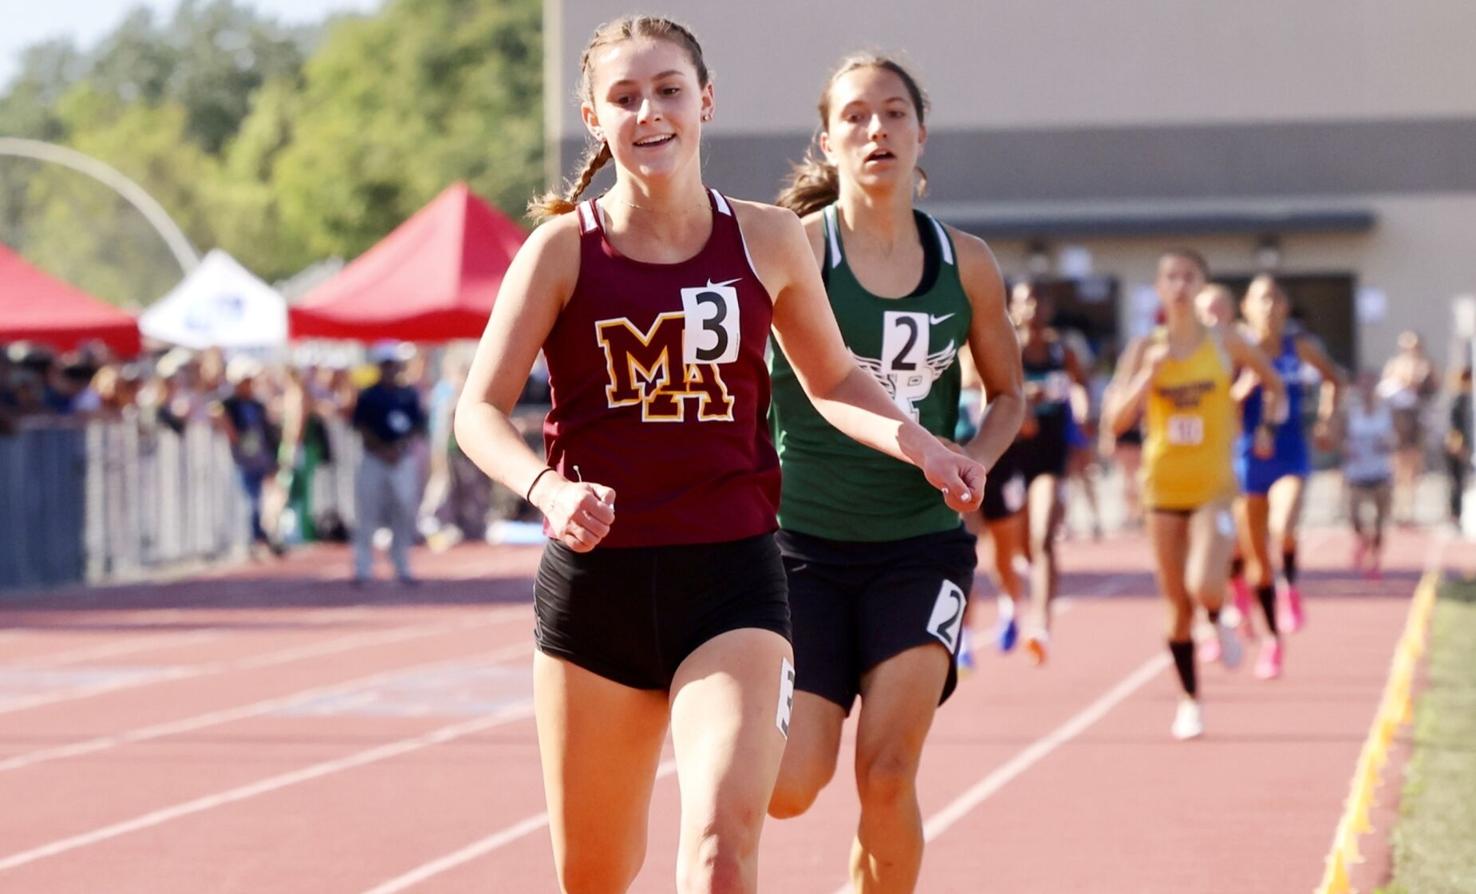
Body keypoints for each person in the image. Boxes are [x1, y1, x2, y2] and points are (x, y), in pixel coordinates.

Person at [452, 18, 985, 894]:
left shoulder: (770, 240)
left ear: (705, 101)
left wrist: (920, 444)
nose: (649, 112)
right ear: (594, 118)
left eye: (668, 90)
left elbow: (835, 381)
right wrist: (545, 490)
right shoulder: (560, 251)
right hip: (598, 593)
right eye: (625, 98)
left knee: (720, 857)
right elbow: (478, 411)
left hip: (732, 583)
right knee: (594, 875)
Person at [761, 54, 1023, 893]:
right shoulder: (794, 249)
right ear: (829, 140)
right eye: (857, 117)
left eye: (894, 114)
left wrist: (973, 462)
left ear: (920, 133)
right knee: (793, 788)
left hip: (918, 549)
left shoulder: (967, 263)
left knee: (886, 774)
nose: (877, 130)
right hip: (800, 549)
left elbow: (1009, 394)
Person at [1103, 249, 1282, 740]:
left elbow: (1274, 382)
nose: (1180, 285)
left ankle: (1218, 613)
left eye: (1189, 277)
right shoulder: (1144, 346)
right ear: (1160, 288)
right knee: (1175, 606)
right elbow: (1116, 420)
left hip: (1214, 486)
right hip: (1162, 487)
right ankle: (1190, 701)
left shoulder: (1225, 341)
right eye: (1171, 277)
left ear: (1202, 285)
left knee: (1205, 581)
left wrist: (1264, 423)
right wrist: (1147, 378)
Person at [1232, 275, 1344, 677]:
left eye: (1275, 298)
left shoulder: (1300, 348)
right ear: (1246, 307)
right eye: (1260, 299)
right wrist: (1242, 390)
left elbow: (1334, 379)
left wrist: (1328, 421)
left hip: (1291, 454)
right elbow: (1217, 405)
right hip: (1247, 460)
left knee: (1284, 525)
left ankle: (1291, 588)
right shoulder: (1235, 350)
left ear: (1284, 307)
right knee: (1256, 562)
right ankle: (1271, 641)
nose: (1268, 305)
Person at [977, 281, 1085, 665]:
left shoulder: (1062, 350)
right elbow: (982, 391)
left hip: (1049, 459)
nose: (1033, 309)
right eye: (1025, 302)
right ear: (1014, 308)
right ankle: (1012, 601)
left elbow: (1081, 388)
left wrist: (1084, 413)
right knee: (1008, 549)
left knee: (1042, 539)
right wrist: (1023, 408)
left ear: (1050, 307)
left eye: (1040, 301)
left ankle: (1041, 625)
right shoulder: (1007, 349)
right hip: (1008, 458)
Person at [351, 341, 426, 585]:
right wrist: (383, 450)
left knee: (404, 510)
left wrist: (398, 449)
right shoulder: (369, 395)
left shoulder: (408, 394)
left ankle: (401, 563)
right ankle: (363, 567)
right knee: (367, 512)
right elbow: (361, 426)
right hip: (374, 459)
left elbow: (416, 427)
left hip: (401, 459)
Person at [215, 357, 281, 558]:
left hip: (260, 460)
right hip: (240, 462)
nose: (248, 385)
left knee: (264, 501)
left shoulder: (257, 405)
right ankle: (254, 539)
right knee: (249, 502)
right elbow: (225, 426)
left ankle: (264, 537)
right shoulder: (227, 405)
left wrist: (273, 458)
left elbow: (268, 431)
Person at [1340, 370, 1395, 577]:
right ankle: (1362, 540)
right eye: (1363, 385)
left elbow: (1397, 436)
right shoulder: (1351, 412)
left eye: (1370, 385)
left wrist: (1389, 442)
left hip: (1380, 470)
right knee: (1354, 516)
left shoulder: (1386, 411)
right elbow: (1339, 436)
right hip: (1357, 472)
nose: (1367, 390)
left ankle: (1375, 560)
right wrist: (1344, 447)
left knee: (1381, 520)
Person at [1380, 330, 1438, 524]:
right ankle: (1397, 509)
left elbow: (1433, 388)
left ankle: (1410, 509)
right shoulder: (1394, 365)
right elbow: (1384, 390)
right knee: (1396, 466)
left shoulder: (1426, 366)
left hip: (1416, 421)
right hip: (1397, 421)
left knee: (1414, 466)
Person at [1446, 364, 1474, 528]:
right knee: (1457, 481)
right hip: (1458, 446)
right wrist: (1459, 445)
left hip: (1465, 445)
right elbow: (1454, 425)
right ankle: (1455, 514)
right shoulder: (1460, 399)